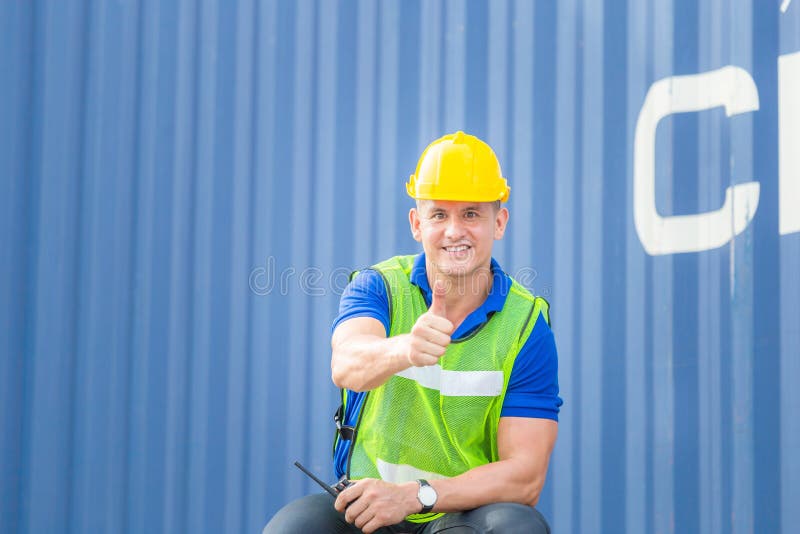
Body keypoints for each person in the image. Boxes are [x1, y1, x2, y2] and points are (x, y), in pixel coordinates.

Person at [264, 131, 562, 534]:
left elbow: (525, 476)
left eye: (470, 214)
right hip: (366, 506)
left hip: (457, 513)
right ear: (416, 223)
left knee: (517, 527)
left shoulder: (526, 326)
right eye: (439, 215)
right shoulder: (377, 287)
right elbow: (347, 365)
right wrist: (405, 348)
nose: (454, 231)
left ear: (499, 222)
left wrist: (416, 495)